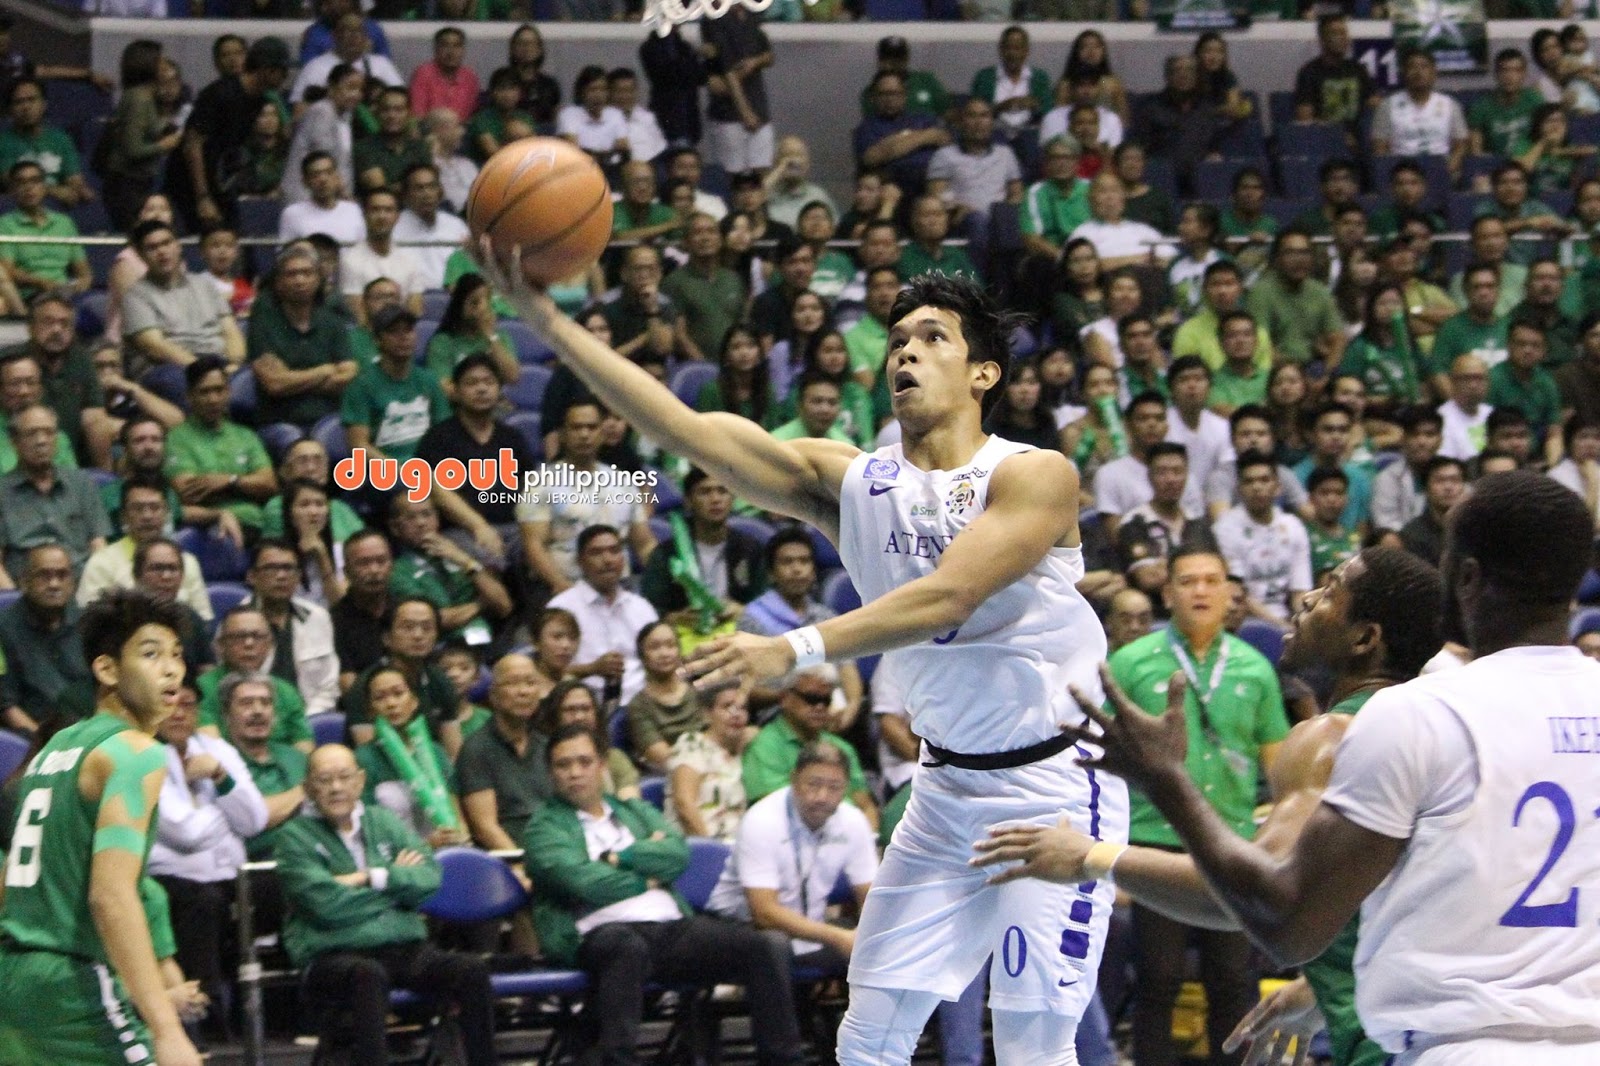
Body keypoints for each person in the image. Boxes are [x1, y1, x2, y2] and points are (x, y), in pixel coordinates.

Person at [480, 246, 1126, 1063]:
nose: (907, 352)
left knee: (1035, 1041)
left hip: (1055, 785)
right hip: (947, 787)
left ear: (985, 375)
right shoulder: (849, 480)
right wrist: (546, 322)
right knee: (870, 1036)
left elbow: (947, 597)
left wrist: (793, 648)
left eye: (933, 338)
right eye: (897, 341)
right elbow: (682, 428)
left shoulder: (1035, 475)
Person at [1027, 472, 1600, 1064]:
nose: (1306, 600)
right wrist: (1343, 977)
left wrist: (1145, 803)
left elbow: (1282, 918)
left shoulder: (1410, 717)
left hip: (1461, 1046)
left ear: (1468, 577)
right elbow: (1483, 888)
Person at [976, 546, 1443, 1066]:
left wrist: (1092, 856)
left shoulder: (1331, 736)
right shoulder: (1432, 722)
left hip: (1405, 1044)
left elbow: (1261, 898)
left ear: (1365, 638)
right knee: (1161, 983)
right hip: (1466, 1024)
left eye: (1331, 591)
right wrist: (1320, 989)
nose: (1308, 597)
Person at [0, 588, 201, 1066]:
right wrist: (166, 1029)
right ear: (107, 670)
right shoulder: (136, 752)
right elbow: (109, 896)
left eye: (177, 655)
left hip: (12, 975)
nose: (172, 668)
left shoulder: (56, 749)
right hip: (69, 982)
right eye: (150, 654)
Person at [524, 723, 804, 1066]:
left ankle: (785, 1060)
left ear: (601, 765)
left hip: (669, 927)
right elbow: (586, 883)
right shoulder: (543, 827)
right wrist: (646, 880)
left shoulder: (633, 811)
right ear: (551, 772)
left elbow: (677, 855)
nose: (575, 772)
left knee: (766, 944)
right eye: (563, 765)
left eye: (584, 762)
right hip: (597, 934)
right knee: (626, 947)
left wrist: (618, 858)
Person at [275, 744, 496, 1066]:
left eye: (344, 777)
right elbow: (325, 905)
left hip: (404, 949)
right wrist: (395, 890)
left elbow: (428, 879)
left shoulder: (385, 822)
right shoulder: (293, 837)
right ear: (308, 788)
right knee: (368, 975)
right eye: (324, 780)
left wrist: (372, 878)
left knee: (472, 970)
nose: (336, 787)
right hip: (333, 954)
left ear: (360, 781)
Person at [147, 681, 266, 1035]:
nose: (179, 712)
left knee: (282, 887)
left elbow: (255, 820)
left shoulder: (216, 749)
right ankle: (209, 1015)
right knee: (203, 904)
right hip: (172, 878)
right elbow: (185, 833)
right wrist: (228, 811)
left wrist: (219, 776)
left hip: (230, 874)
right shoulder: (143, 756)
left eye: (188, 704)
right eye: (170, 703)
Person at [708, 740, 876, 972]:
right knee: (771, 945)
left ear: (846, 788)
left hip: (809, 927)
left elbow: (872, 896)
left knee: (890, 942)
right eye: (813, 784)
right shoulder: (762, 819)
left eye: (834, 787)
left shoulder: (853, 821)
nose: (822, 796)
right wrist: (838, 937)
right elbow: (764, 913)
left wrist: (872, 937)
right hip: (739, 926)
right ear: (794, 779)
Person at [548, 525, 660, 706]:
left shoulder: (642, 607)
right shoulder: (561, 608)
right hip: (585, 707)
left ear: (623, 558)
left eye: (615, 551)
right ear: (580, 561)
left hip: (644, 705)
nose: (607, 560)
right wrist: (592, 669)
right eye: (596, 553)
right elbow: (546, 672)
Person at [0, 406, 111, 581]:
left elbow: (99, 545)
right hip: (26, 591)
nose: (41, 441)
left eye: (49, 433)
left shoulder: (81, 482)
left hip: (81, 586)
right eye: (31, 434)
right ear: (14, 442)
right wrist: (13, 601)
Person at [456, 652, 552, 851]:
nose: (523, 691)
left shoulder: (547, 745)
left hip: (555, 849)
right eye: (513, 683)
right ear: (493, 695)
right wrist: (521, 862)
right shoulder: (476, 750)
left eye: (530, 682)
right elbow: (485, 827)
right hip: (510, 861)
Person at [0, 543, 94, 734]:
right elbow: (7, 708)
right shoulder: (3, 629)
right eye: (44, 575)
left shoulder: (90, 624)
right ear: (24, 581)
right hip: (33, 741)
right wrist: (49, 747)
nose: (54, 584)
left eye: (62, 575)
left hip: (90, 736)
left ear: (73, 582)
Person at [1214, 451, 1313, 625]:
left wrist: (1301, 623)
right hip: (1244, 620)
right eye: (1249, 481)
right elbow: (1238, 594)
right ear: (1239, 488)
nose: (1257, 487)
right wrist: (1281, 627)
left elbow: (1300, 590)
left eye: (1264, 480)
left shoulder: (1293, 526)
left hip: (1287, 616)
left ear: (1278, 487)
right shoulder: (1225, 528)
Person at [665, 682, 750, 841]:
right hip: (698, 846)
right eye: (727, 707)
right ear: (707, 714)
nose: (736, 714)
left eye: (742, 708)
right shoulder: (691, 744)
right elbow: (684, 805)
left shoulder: (741, 750)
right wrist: (712, 851)